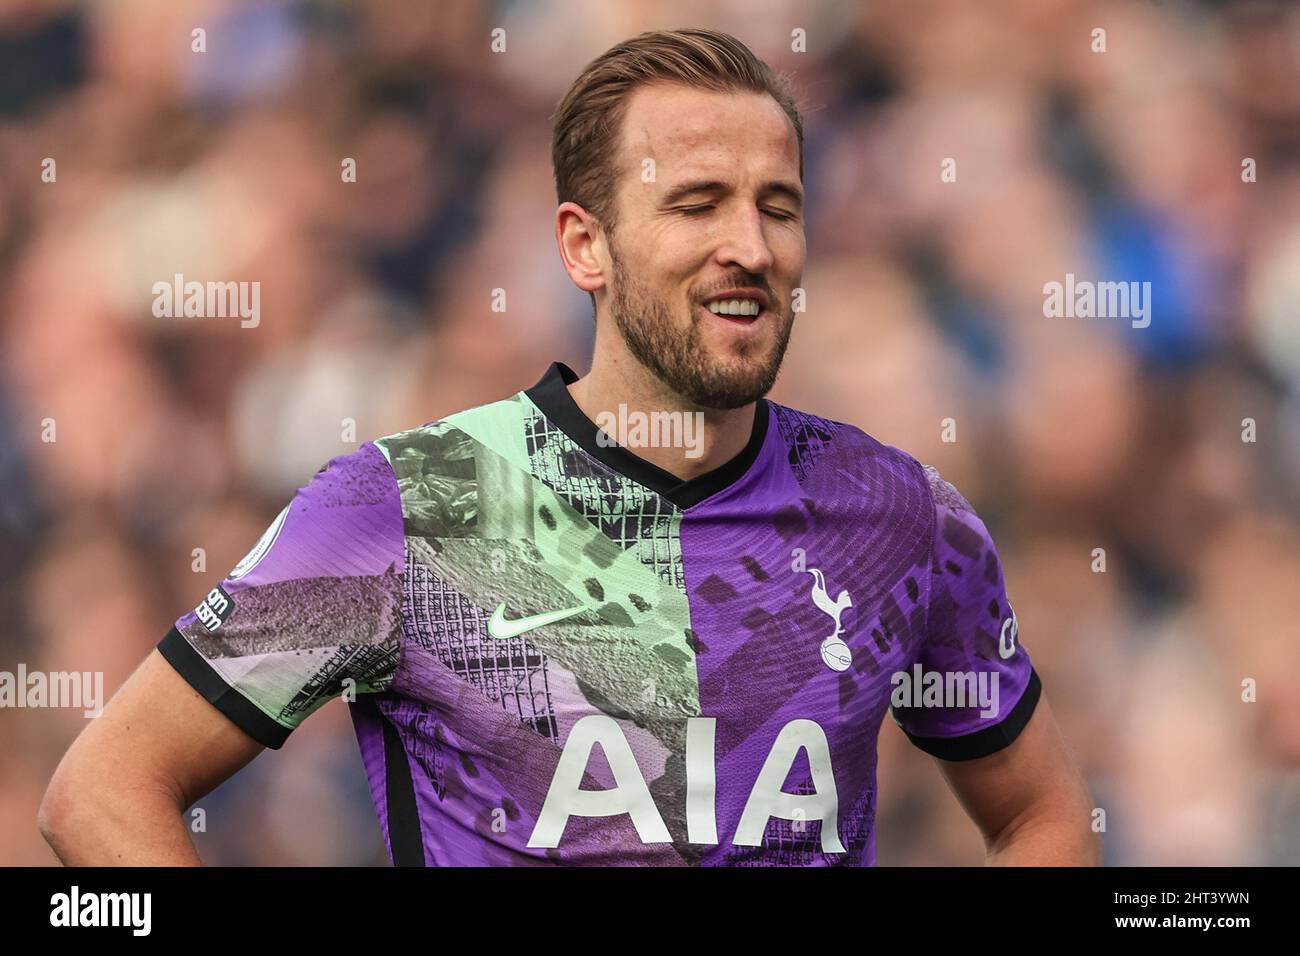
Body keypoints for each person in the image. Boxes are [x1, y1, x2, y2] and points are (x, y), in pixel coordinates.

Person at [39, 28, 1100, 866]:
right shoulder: (412, 506)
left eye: (778, 206)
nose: (751, 245)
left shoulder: (900, 515)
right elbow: (102, 792)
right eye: (697, 203)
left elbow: (1044, 815)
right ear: (582, 245)